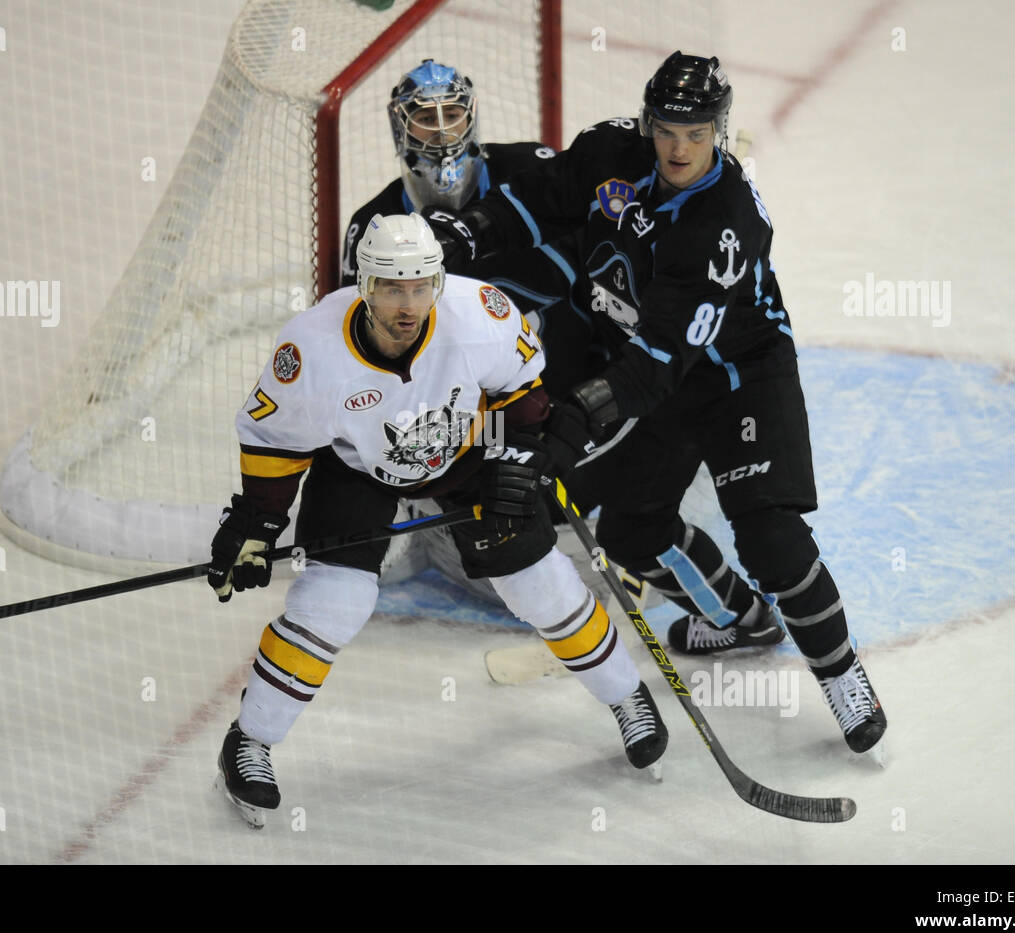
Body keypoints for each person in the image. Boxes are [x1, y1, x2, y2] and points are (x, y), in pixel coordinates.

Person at [425, 53, 886, 754]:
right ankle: (736, 618)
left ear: (719, 133)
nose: (678, 147)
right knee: (632, 534)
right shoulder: (612, 150)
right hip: (657, 372)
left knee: (771, 535)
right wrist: (470, 233)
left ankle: (844, 675)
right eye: (668, 128)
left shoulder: (723, 225)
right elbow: (541, 196)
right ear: (648, 121)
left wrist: (571, 423)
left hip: (738, 376)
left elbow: (656, 365)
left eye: (696, 133)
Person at [207, 213, 667, 828]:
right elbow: (274, 442)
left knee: (541, 584)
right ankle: (250, 740)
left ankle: (627, 696)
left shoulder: (479, 315)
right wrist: (258, 524)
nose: (408, 304)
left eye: (421, 285)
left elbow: (523, 399)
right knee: (332, 603)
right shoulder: (310, 350)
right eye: (393, 288)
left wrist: (519, 456)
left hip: (468, 453)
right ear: (364, 286)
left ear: (438, 281)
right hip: (359, 469)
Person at [341, 59, 591, 397]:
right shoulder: (373, 222)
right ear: (400, 127)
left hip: (569, 385)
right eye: (426, 119)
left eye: (453, 115)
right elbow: (355, 338)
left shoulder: (530, 171)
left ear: (471, 116)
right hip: (452, 411)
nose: (443, 131)